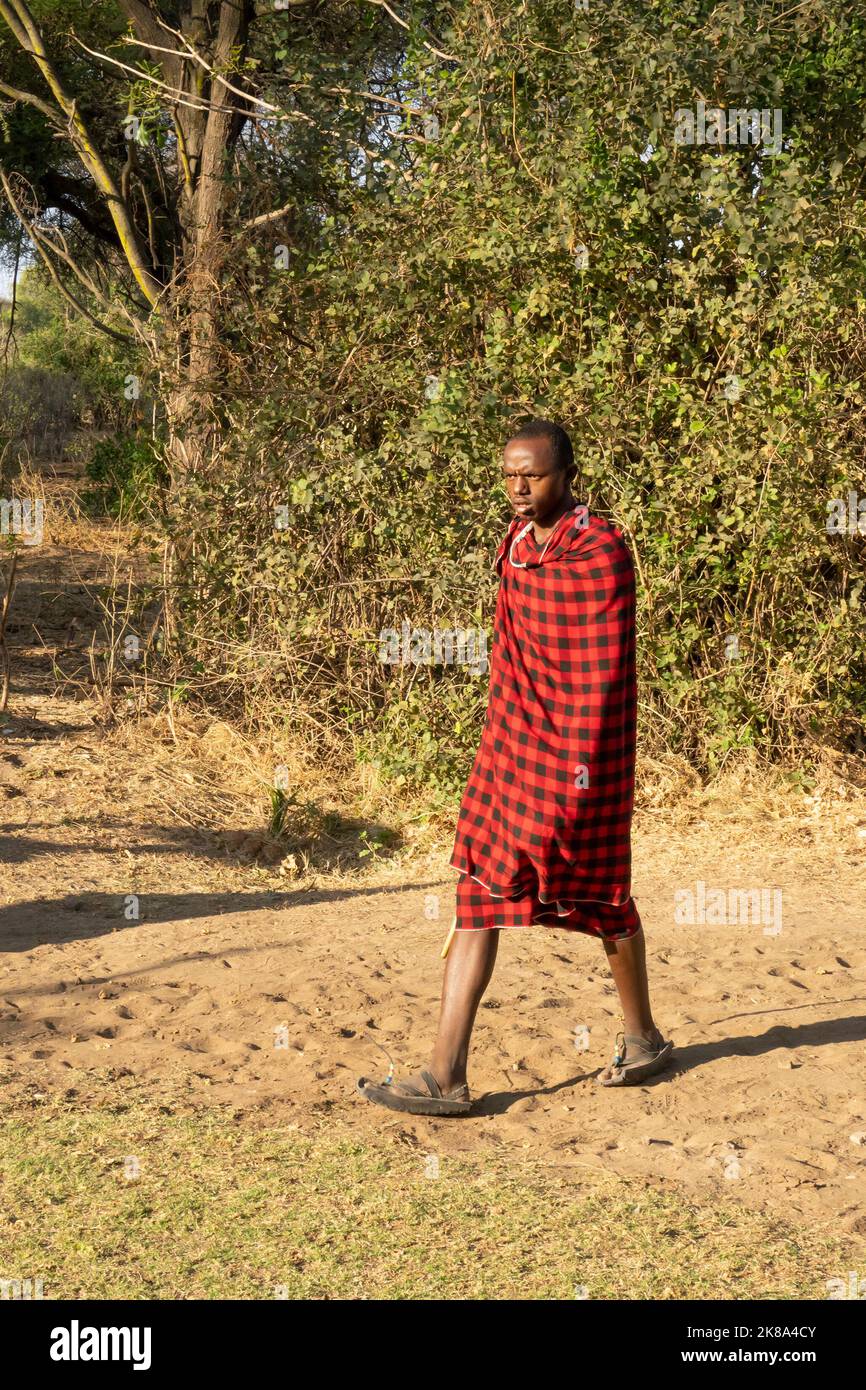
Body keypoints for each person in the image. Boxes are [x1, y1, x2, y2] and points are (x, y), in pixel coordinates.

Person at [358, 419, 672, 1115]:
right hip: (514, 750)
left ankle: (643, 1036)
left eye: (533, 475)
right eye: (509, 475)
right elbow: (512, 660)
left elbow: (601, 669)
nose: (519, 488)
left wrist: (578, 765)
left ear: (567, 476)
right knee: (480, 885)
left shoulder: (600, 549)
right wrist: (508, 742)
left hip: (582, 757)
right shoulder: (515, 547)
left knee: (602, 897)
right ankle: (446, 1073)